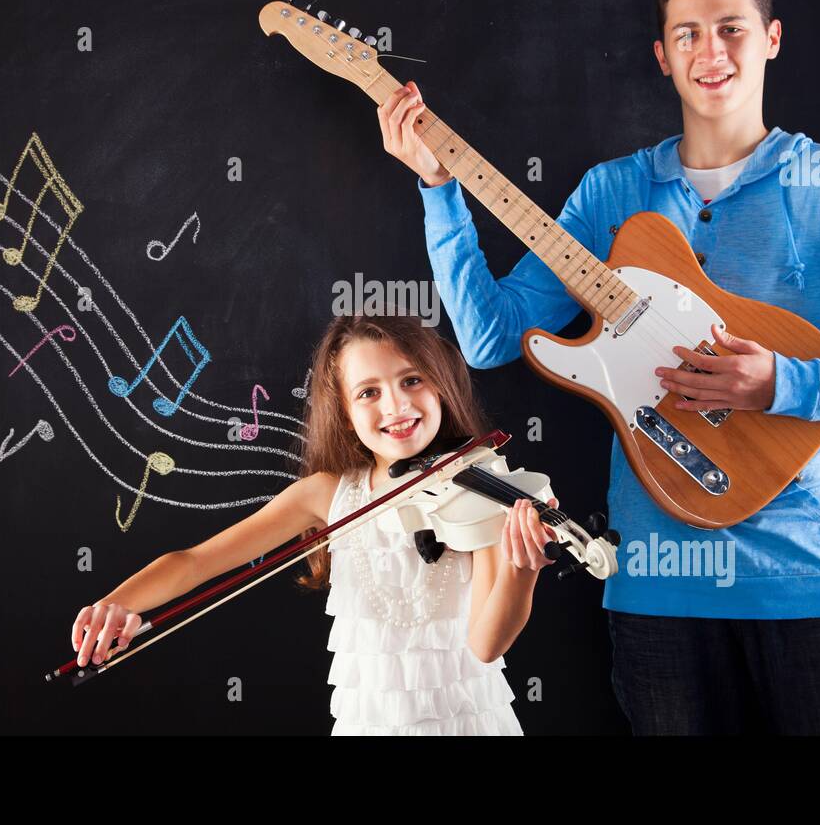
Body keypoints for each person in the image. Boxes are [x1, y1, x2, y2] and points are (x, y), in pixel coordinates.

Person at [376, 0, 820, 734]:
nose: (711, 53)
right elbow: (494, 338)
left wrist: (790, 383)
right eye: (688, 36)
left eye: (732, 29)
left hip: (816, 581)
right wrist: (440, 192)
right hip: (655, 593)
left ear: (772, 39)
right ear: (661, 57)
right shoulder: (611, 193)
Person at [71, 314, 560, 734]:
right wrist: (118, 604)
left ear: (441, 385)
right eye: (369, 392)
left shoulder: (480, 487)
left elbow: (486, 643)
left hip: (466, 722)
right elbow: (196, 561)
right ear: (346, 415)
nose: (396, 406)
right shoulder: (328, 493)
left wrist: (523, 570)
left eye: (412, 380)